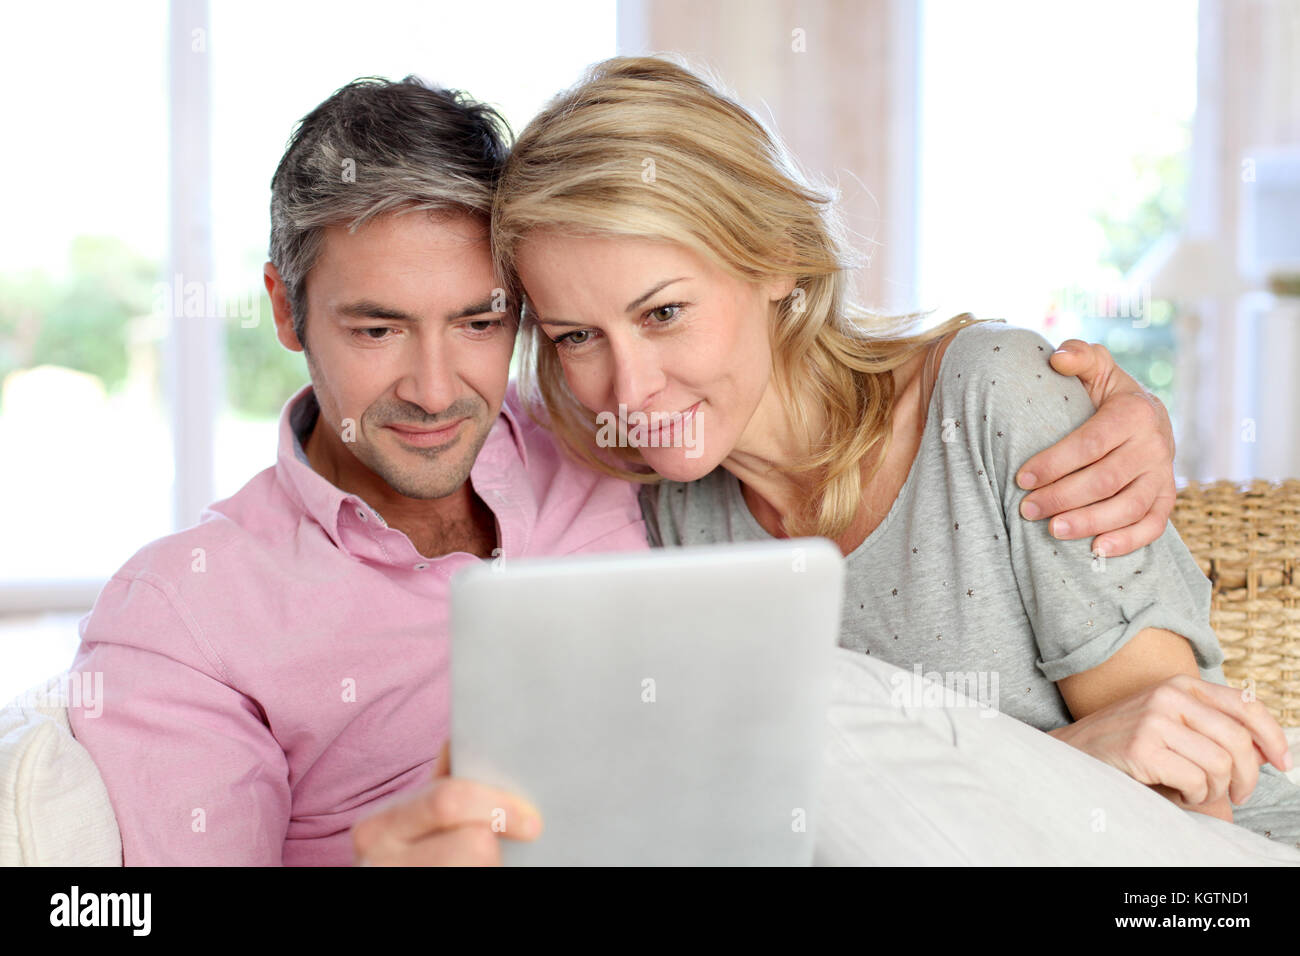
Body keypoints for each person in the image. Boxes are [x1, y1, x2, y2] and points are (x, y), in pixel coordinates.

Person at [65, 74, 1196, 867]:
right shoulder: (184, 610)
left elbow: (1176, 751)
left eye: (479, 321)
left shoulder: (624, 458)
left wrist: (1110, 408)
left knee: (796, 705)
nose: (430, 385)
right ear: (283, 309)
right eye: (373, 329)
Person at [488, 55, 1300, 849]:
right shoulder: (666, 518)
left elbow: (1194, 784)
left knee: (813, 702)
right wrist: (1067, 756)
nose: (630, 394)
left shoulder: (992, 399)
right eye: (577, 337)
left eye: (663, 313)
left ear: (773, 257)